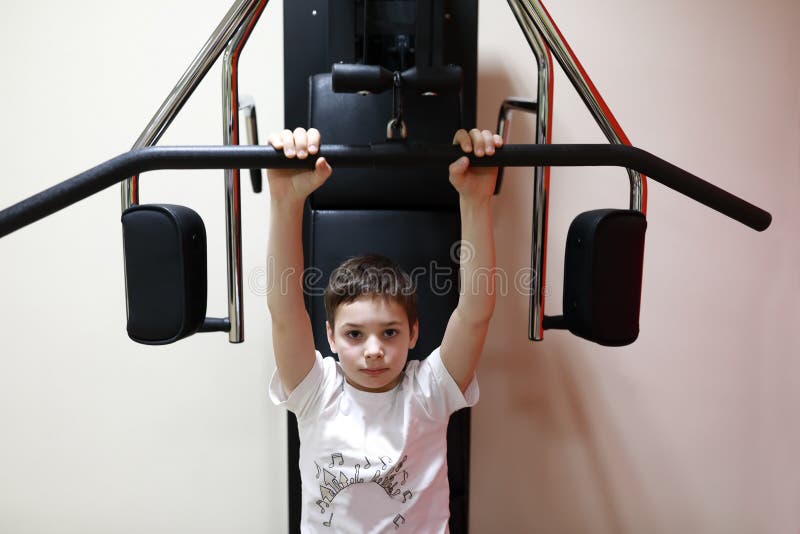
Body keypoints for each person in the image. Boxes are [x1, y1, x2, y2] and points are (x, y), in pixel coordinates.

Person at [266, 127, 502, 533]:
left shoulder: (428, 392)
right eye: (354, 334)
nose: (373, 350)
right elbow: (285, 312)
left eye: (389, 333)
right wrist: (285, 204)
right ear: (330, 337)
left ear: (413, 334)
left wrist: (476, 201)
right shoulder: (315, 392)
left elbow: (475, 313)